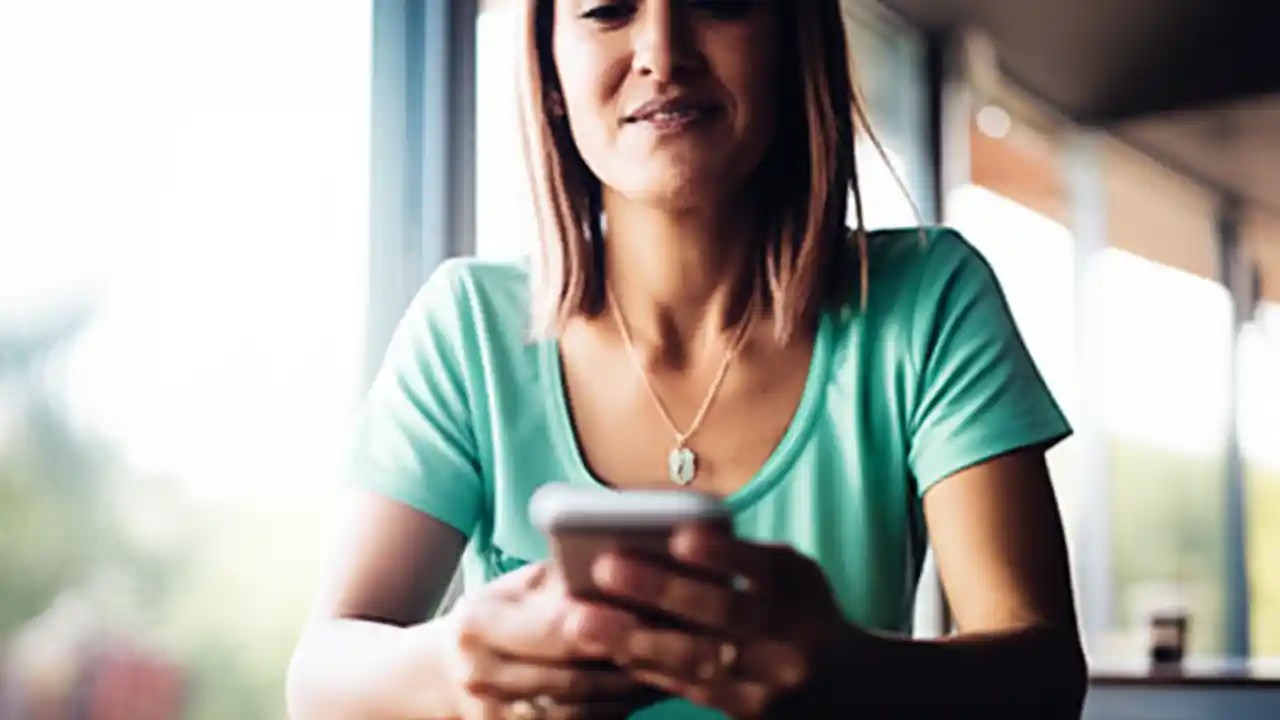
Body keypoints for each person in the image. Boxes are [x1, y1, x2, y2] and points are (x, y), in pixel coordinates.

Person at [286, 0, 1086, 717]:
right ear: (552, 73)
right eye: (606, 9)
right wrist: (462, 669)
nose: (662, 54)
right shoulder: (468, 328)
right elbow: (319, 680)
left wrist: (848, 674)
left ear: (791, 44)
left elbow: (1045, 675)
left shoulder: (929, 300)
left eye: (721, 2)